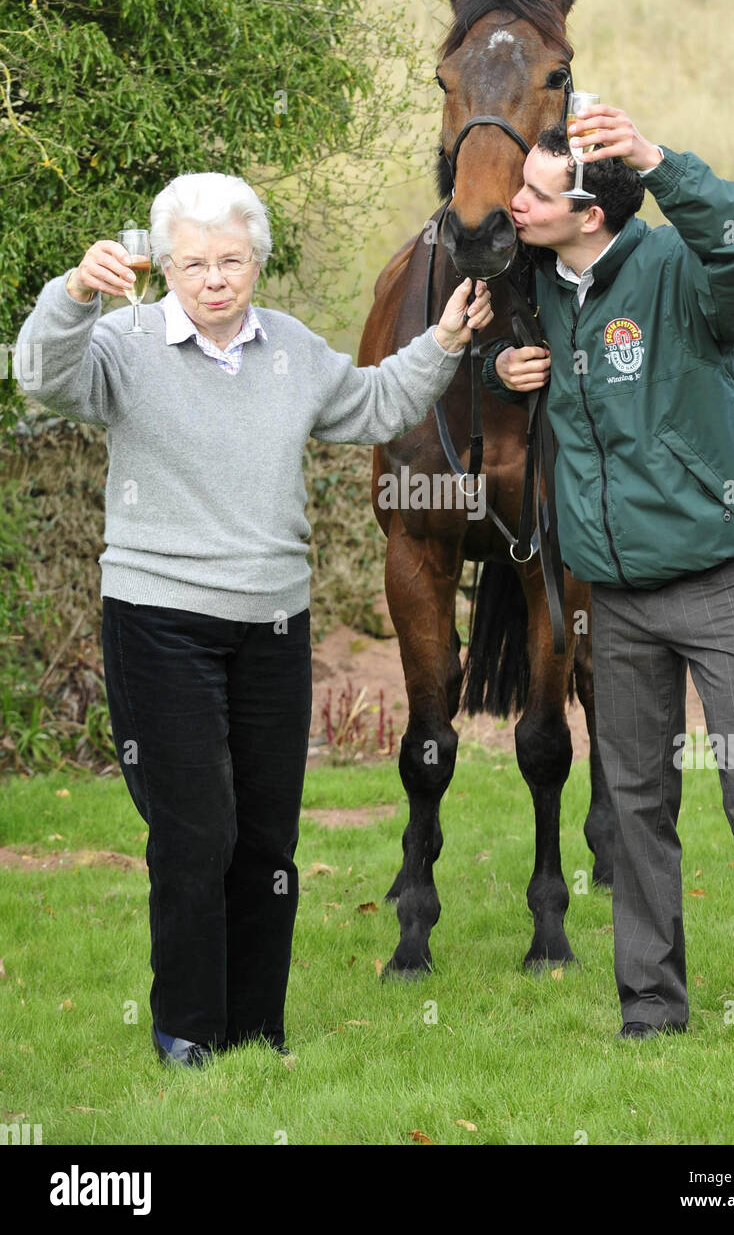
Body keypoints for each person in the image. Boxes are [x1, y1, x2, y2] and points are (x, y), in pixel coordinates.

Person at [13, 172, 493, 1067]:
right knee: (197, 831)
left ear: (256, 263)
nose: (214, 279)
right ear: (164, 267)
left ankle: (253, 1035)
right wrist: (75, 292)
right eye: (193, 263)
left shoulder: (294, 351)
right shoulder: (122, 344)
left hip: (273, 625)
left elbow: (379, 403)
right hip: (158, 620)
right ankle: (187, 1034)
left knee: (268, 837)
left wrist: (447, 339)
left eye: (231, 260)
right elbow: (40, 377)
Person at [481, 110, 734, 1049]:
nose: (515, 201)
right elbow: (488, 341)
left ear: (590, 213)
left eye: (536, 193)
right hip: (614, 596)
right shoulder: (543, 285)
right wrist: (500, 363)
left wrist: (656, 161)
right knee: (633, 799)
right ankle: (649, 1010)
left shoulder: (681, 273)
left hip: (716, 579)